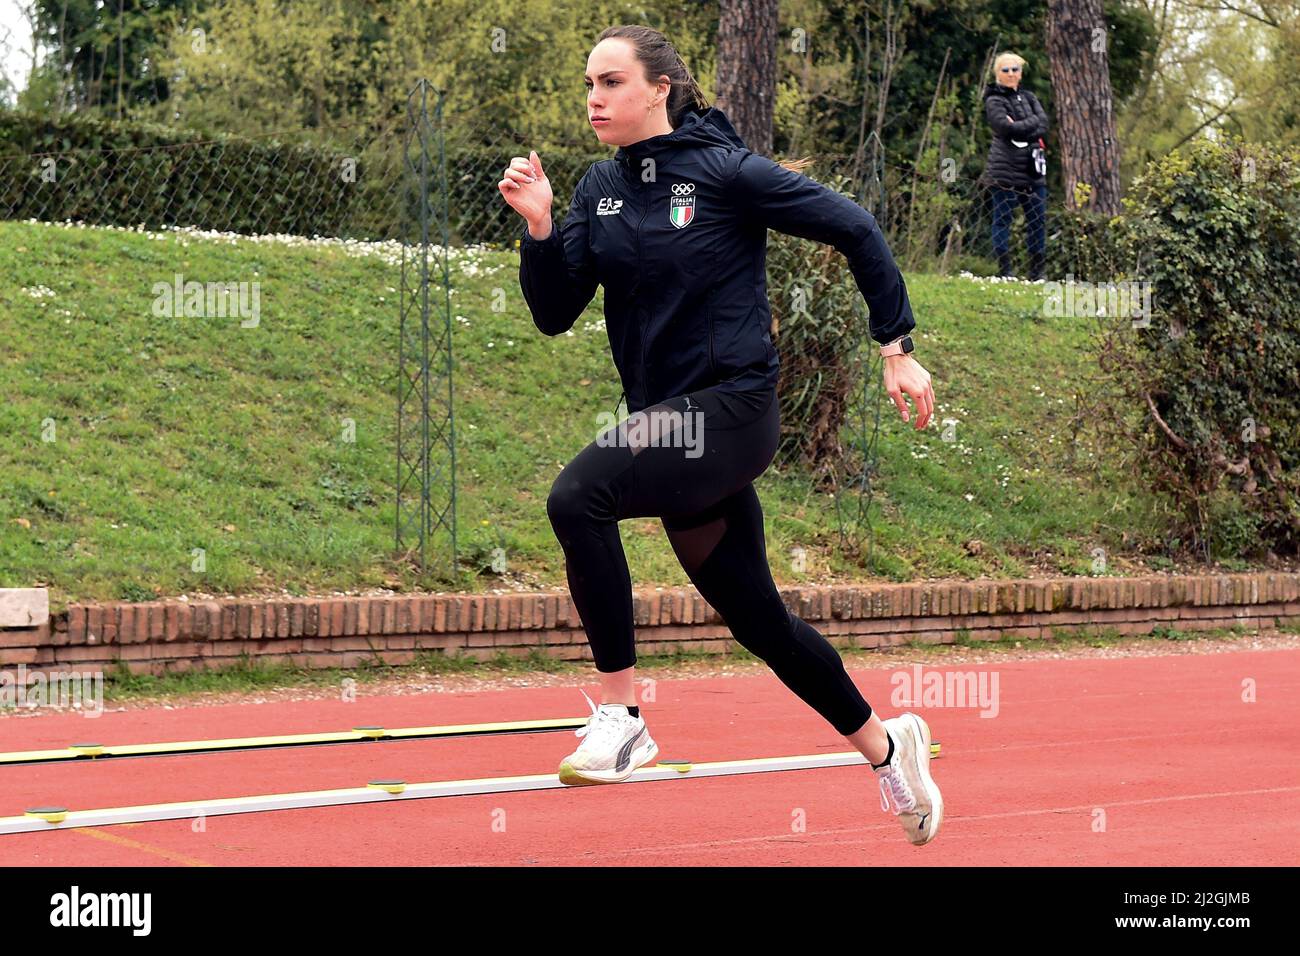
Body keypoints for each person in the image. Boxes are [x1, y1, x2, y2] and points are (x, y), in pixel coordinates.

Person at [499, 24, 942, 846]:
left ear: (659, 87)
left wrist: (897, 349)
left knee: (577, 497)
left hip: (733, 410)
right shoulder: (599, 188)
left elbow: (857, 228)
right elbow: (554, 313)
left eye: (610, 81)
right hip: (666, 426)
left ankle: (622, 714)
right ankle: (890, 751)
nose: (593, 97)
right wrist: (540, 227)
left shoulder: (727, 172)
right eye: (588, 84)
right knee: (761, 623)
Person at [981, 51, 1049, 280]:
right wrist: (1029, 125)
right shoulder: (993, 100)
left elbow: (1043, 123)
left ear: (1020, 73)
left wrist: (1021, 124)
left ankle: (1036, 273)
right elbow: (1004, 128)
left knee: (1037, 220)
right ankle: (1005, 271)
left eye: (1015, 69)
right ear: (998, 74)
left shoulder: (1029, 97)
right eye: (1006, 70)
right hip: (1005, 169)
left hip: (1033, 170)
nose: (1011, 74)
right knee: (1003, 219)